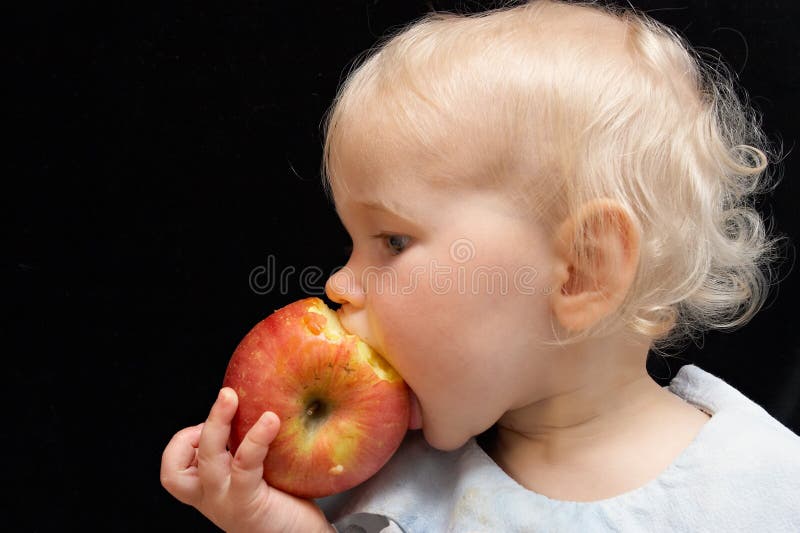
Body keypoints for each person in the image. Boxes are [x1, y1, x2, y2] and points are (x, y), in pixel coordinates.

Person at [160, 1, 800, 531]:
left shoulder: (759, 492)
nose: (336, 285)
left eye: (393, 241)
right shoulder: (379, 486)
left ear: (581, 271)